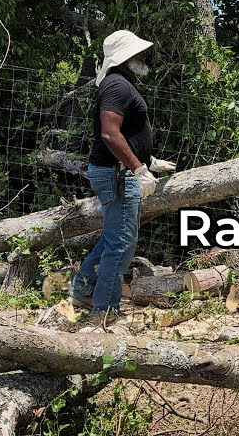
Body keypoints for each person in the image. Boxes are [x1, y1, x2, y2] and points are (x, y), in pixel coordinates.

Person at [69, 30, 175, 330]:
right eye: (138, 52)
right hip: (118, 174)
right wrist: (138, 170)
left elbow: (125, 134)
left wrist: (148, 160)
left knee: (115, 237)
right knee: (121, 243)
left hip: (121, 169)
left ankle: (82, 290)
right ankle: (105, 310)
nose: (142, 56)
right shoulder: (117, 85)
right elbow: (109, 134)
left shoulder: (120, 83)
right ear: (124, 57)